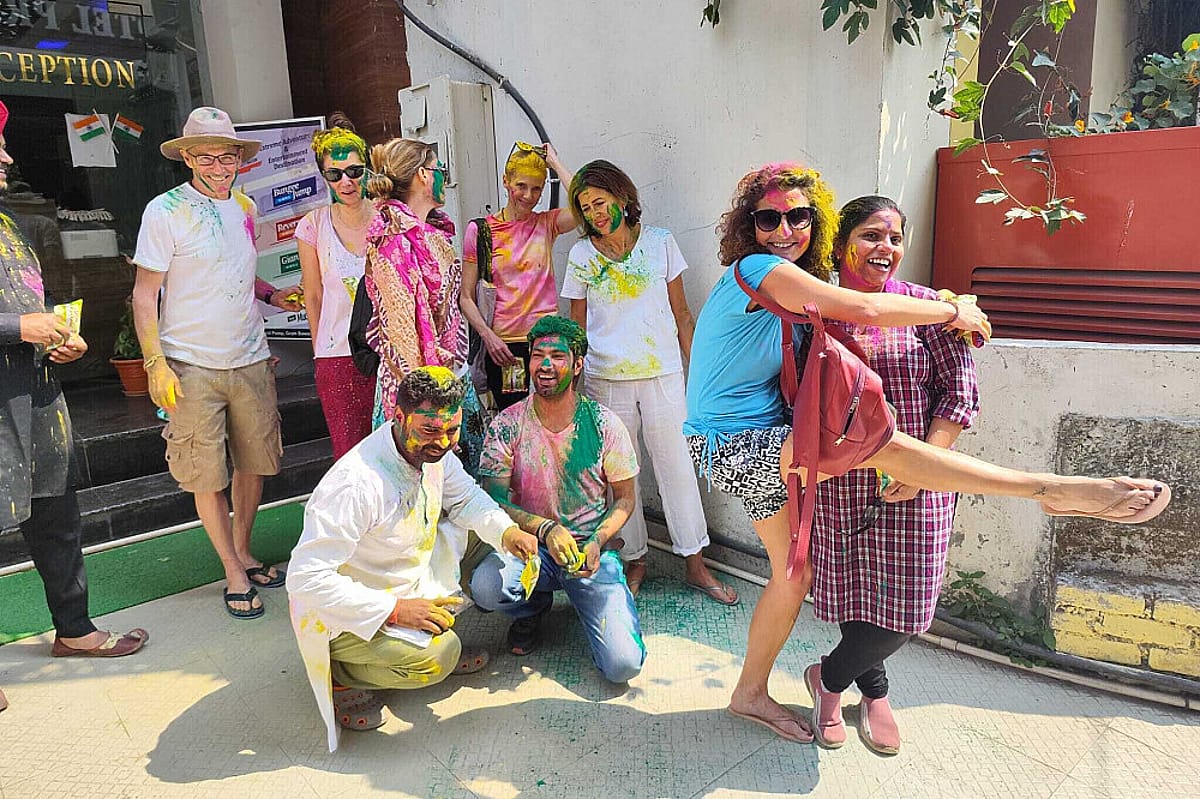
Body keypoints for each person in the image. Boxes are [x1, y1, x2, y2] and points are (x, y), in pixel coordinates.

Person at [683, 162, 1171, 746]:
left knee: (795, 572)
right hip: (734, 439)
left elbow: (899, 336)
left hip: (744, 437)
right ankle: (1047, 489)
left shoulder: (805, 290)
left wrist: (942, 307)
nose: (784, 228)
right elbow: (862, 309)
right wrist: (952, 308)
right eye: (769, 218)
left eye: (799, 217)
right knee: (878, 448)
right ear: (750, 226)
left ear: (818, 224)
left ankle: (751, 693)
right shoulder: (760, 269)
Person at [287, 366, 538, 751]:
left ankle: (416, 634)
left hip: (403, 568)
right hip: (345, 612)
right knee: (441, 656)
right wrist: (396, 611)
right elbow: (305, 579)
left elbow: (466, 499)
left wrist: (507, 531)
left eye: (451, 430)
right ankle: (341, 674)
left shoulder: (436, 452)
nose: (443, 443)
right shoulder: (356, 484)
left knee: (488, 542)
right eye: (430, 431)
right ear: (398, 416)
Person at [808, 195, 980, 754]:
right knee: (855, 592)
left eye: (895, 238)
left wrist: (926, 468)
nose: (886, 248)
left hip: (918, 486)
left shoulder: (931, 308)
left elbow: (960, 393)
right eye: (871, 236)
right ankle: (874, 692)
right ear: (840, 244)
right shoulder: (817, 309)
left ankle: (828, 681)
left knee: (909, 608)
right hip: (843, 483)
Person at [0, 99, 147, 715]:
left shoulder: (8, 225)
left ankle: (75, 630)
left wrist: (61, 337)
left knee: (57, 517)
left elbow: (34, 307)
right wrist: (17, 327)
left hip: (36, 399)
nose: (7, 158)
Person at [131, 107, 296, 620]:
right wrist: (155, 364)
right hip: (190, 365)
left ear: (238, 161)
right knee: (207, 473)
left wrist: (275, 294)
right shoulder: (164, 211)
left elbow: (239, 275)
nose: (219, 165)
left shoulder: (245, 207)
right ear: (187, 157)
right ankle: (231, 570)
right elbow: (143, 296)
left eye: (227, 156)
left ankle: (244, 551)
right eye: (206, 156)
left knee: (254, 462)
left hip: (250, 357)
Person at [562, 160, 735, 605]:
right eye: (586, 208)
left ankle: (695, 561)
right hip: (605, 381)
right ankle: (635, 556)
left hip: (663, 376)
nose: (596, 214)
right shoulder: (581, 256)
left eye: (601, 202)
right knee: (622, 476)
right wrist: (574, 389)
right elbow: (576, 328)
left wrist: (700, 377)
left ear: (622, 197)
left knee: (677, 466)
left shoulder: (660, 244)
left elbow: (682, 314)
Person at [469, 316, 646, 683]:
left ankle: (599, 603)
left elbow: (625, 499)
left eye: (557, 356)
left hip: (588, 554)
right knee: (485, 586)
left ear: (578, 364)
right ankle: (531, 608)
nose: (545, 365)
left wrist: (598, 541)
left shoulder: (603, 424)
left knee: (623, 666)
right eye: (537, 355)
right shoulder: (507, 424)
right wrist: (545, 529)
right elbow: (494, 499)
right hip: (530, 549)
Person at [459, 141, 575, 409]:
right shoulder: (481, 231)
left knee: (553, 419)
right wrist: (488, 336)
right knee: (514, 425)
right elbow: (465, 296)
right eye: (521, 186)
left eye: (537, 188)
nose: (528, 195)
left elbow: (585, 208)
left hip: (547, 342)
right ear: (505, 181)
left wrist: (555, 163)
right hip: (506, 348)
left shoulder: (547, 223)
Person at [295, 118, 376, 459]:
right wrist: (319, 350)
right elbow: (312, 295)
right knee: (349, 455)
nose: (347, 181)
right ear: (324, 177)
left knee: (394, 448)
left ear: (367, 170)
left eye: (355, 171)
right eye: (335, 174)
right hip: (336, 355)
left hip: (385, 354)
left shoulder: (388, 217)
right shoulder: (312, 225)